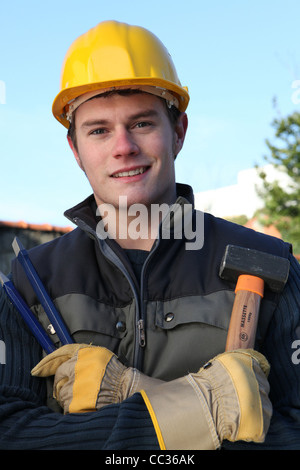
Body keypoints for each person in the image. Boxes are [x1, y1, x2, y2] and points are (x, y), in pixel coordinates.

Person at [0, 20, 300, 451]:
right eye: (99, 130)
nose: (123, 146)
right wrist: (199, 416)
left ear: (178, 133)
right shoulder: (30, 284)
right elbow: (9, 431)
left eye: (141, 124)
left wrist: (130, 414)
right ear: (75, 151)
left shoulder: (269, 264)